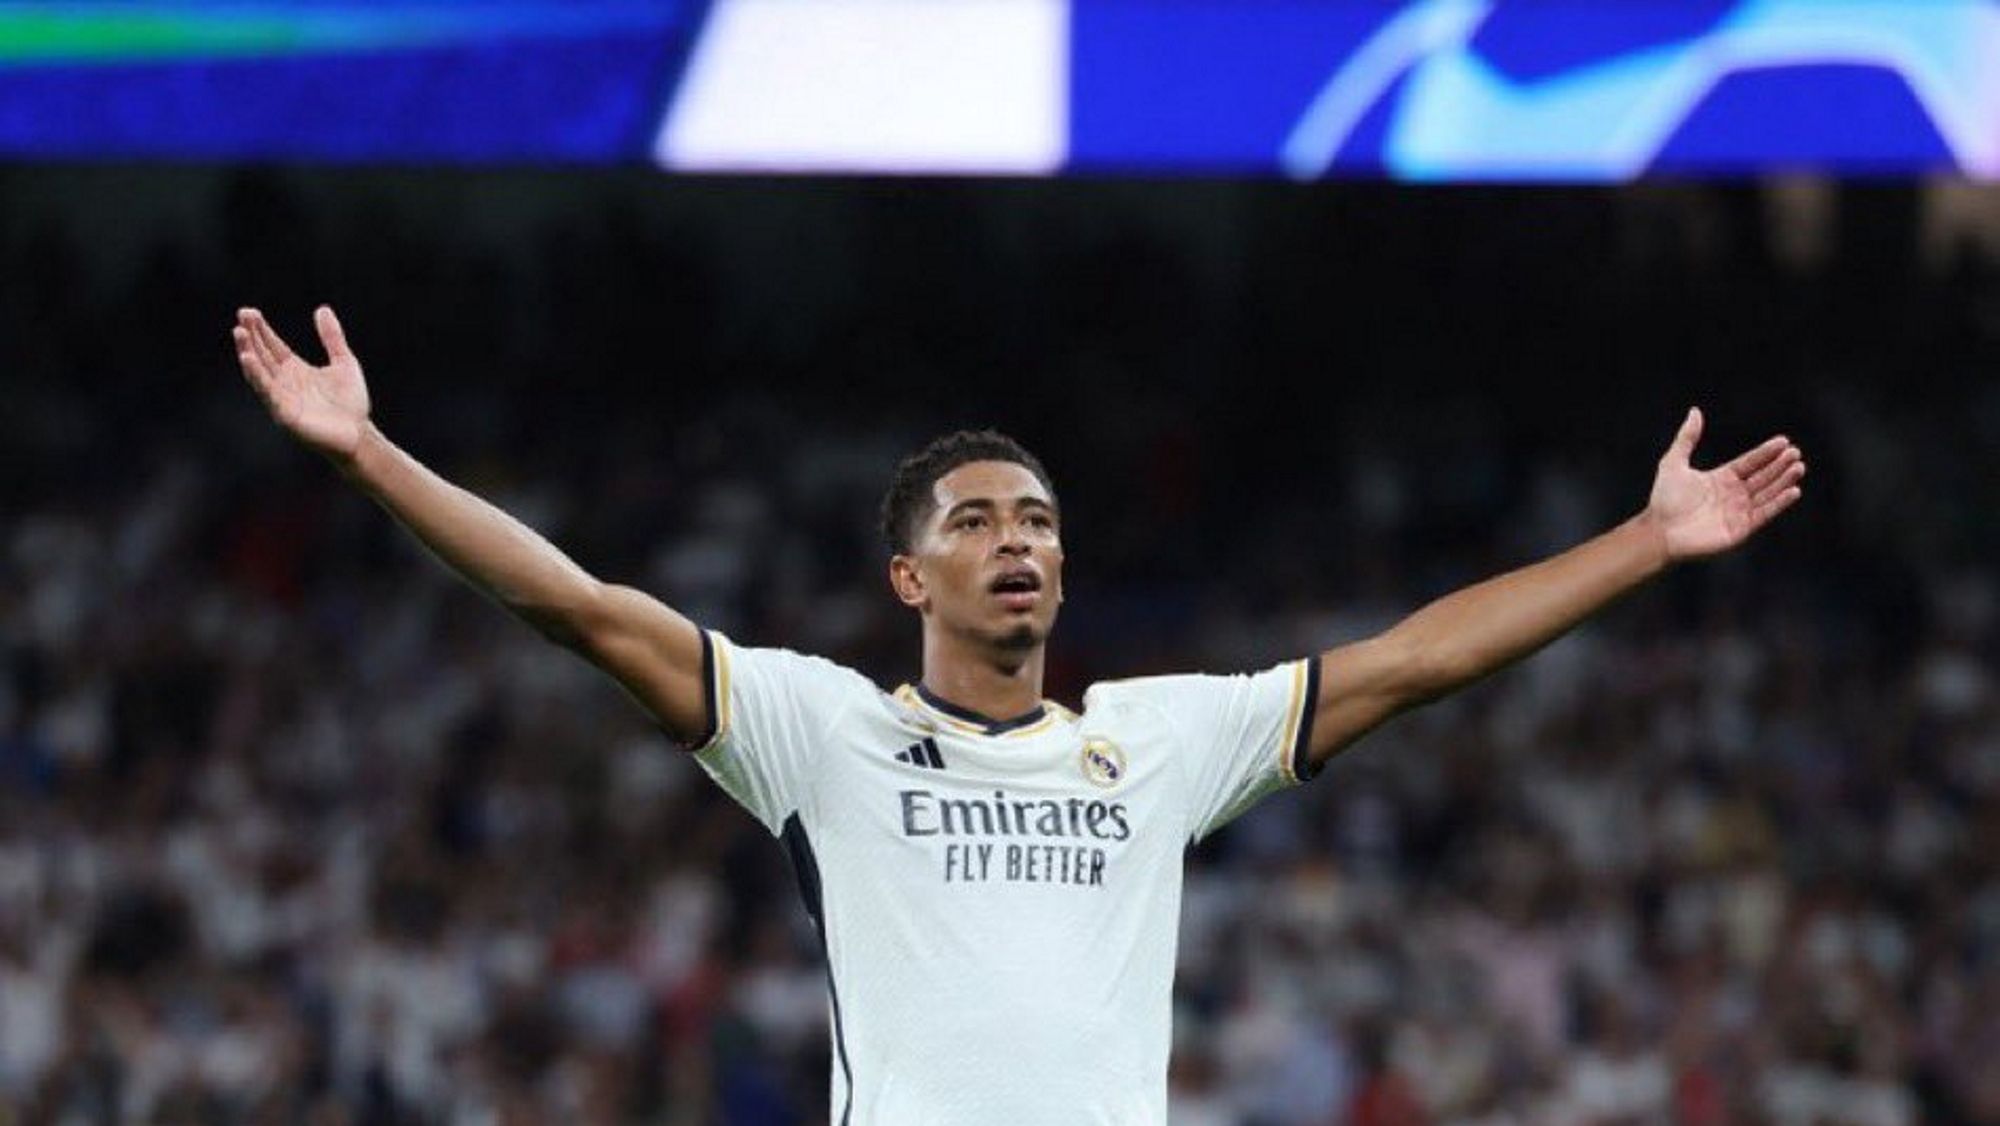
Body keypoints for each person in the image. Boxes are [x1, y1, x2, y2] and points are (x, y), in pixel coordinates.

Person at [231, 305, 1806, 1124]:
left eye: (1041, 520)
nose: (1021, 542)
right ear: (910, 572)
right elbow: (578, 606)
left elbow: (1414, 662)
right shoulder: (817, 733)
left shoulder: (1160, 740)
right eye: (980, 521)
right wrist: (372, 458)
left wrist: (1646, 543)